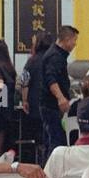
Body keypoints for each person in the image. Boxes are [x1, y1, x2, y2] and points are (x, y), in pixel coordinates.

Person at [40, 24, 79, 158]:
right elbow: (51, 79)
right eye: (74, 40)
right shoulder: (55, 56)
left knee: (52, 140)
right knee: (56, 142)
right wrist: (61, 98)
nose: (75, 44)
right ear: (67, 39)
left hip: (50, 105)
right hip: (51, 106)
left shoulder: (57, 54)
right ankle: (50, 173)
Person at [20, 30, 52, 163]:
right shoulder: (53, 59)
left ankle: (40, 159)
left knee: (38, 134)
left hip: (35, 102)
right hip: (51, 103)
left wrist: (25, 100)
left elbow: (24, 82)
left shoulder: (31, 61)